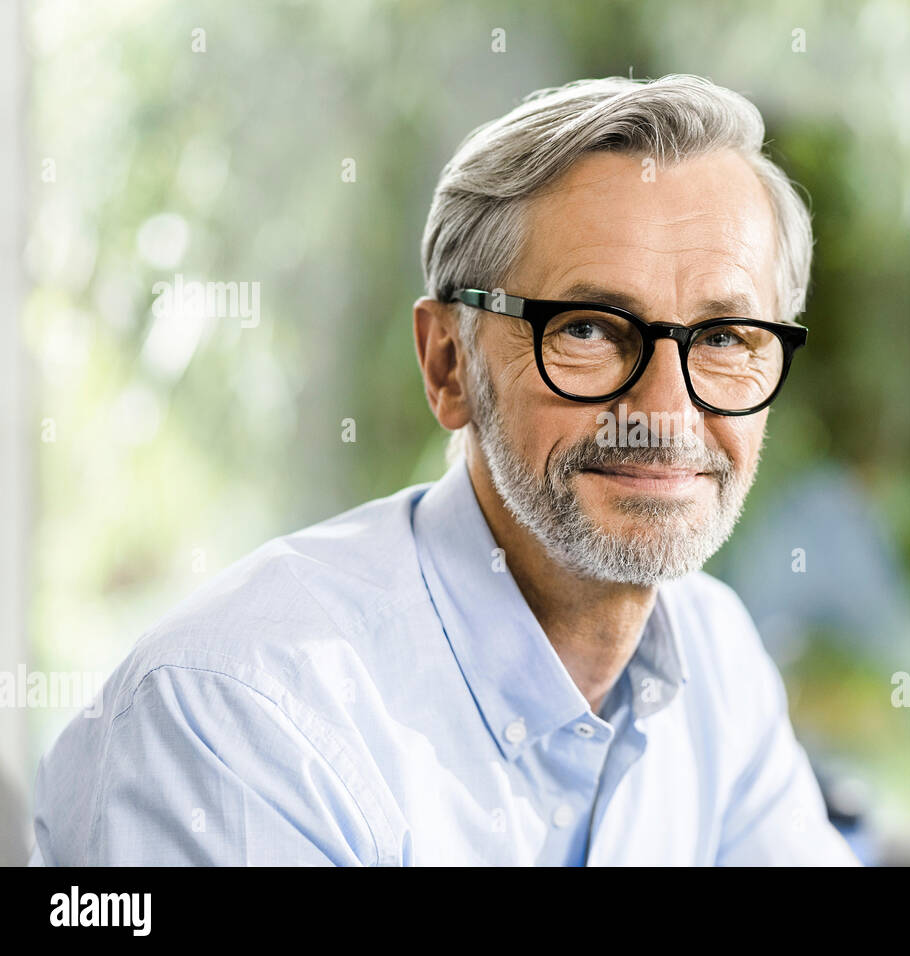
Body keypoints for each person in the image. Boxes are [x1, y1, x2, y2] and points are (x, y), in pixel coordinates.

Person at [30, 74, 859, 866]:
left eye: (724, 339)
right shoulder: (239, 711)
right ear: (448, 365)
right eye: (589, 330)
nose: (666, 412)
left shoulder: (714, 656)